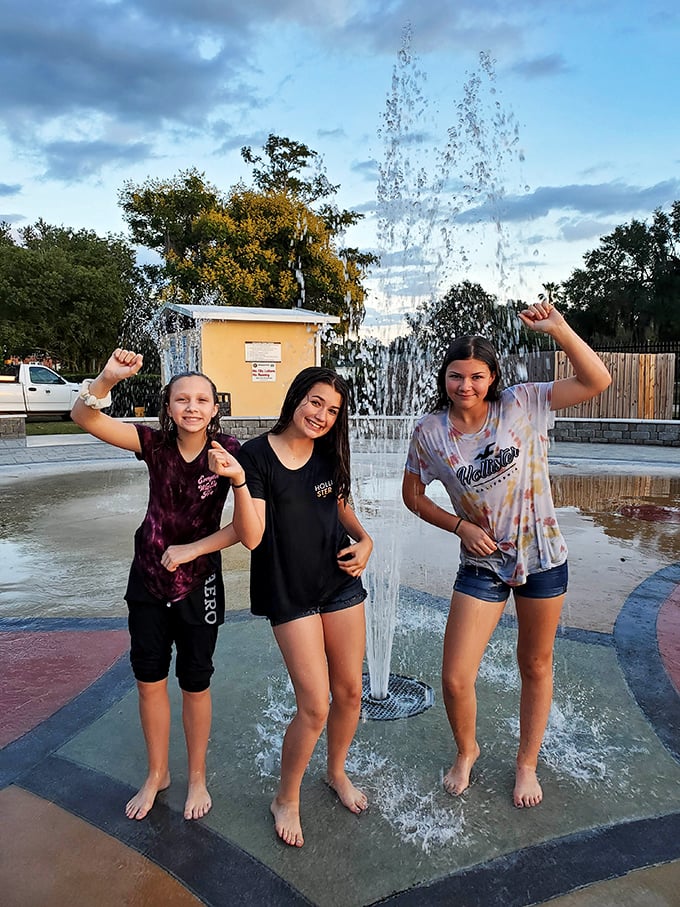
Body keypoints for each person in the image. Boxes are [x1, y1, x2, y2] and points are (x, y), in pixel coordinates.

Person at [402, 302, 611, 808]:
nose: (465, 385)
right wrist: (459, 525)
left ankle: (525, 765)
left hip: (542, 556)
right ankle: (466, 751)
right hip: (483, 564)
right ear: (444, 378)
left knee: (535, 664)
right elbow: (412, 495)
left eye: (476, 376)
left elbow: (597, 380)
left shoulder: (523, 404)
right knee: (455, 677)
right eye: (456, 376)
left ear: (492, 377)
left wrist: (559, 328)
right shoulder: (431, 433)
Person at [164, 367, 373, 847]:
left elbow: (338, 504)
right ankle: (287, 797)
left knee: (350, 693)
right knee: (314, 706)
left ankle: (336, 772)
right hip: (289, 591)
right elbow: (253, 538)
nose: (322, 415)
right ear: (297, 397)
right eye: (315, 402)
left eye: (333, 410)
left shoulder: (329, 451)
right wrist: (239, 482)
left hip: (339, 581)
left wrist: (365, 539)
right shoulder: (255, 456)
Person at [71, 348, 260, 821]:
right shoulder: (153, 444)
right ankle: (158, 773)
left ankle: (196, 775)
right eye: (182, 400)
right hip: (149, 580)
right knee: (149, 680)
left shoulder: (231, 453)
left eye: (202, 399)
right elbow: (84, 417)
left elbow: (247, 531)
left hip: (200, 583)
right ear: (169, 407)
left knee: (195, 683)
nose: (192, 407)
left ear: (216, 407)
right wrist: (107, 378)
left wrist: (195, 547)